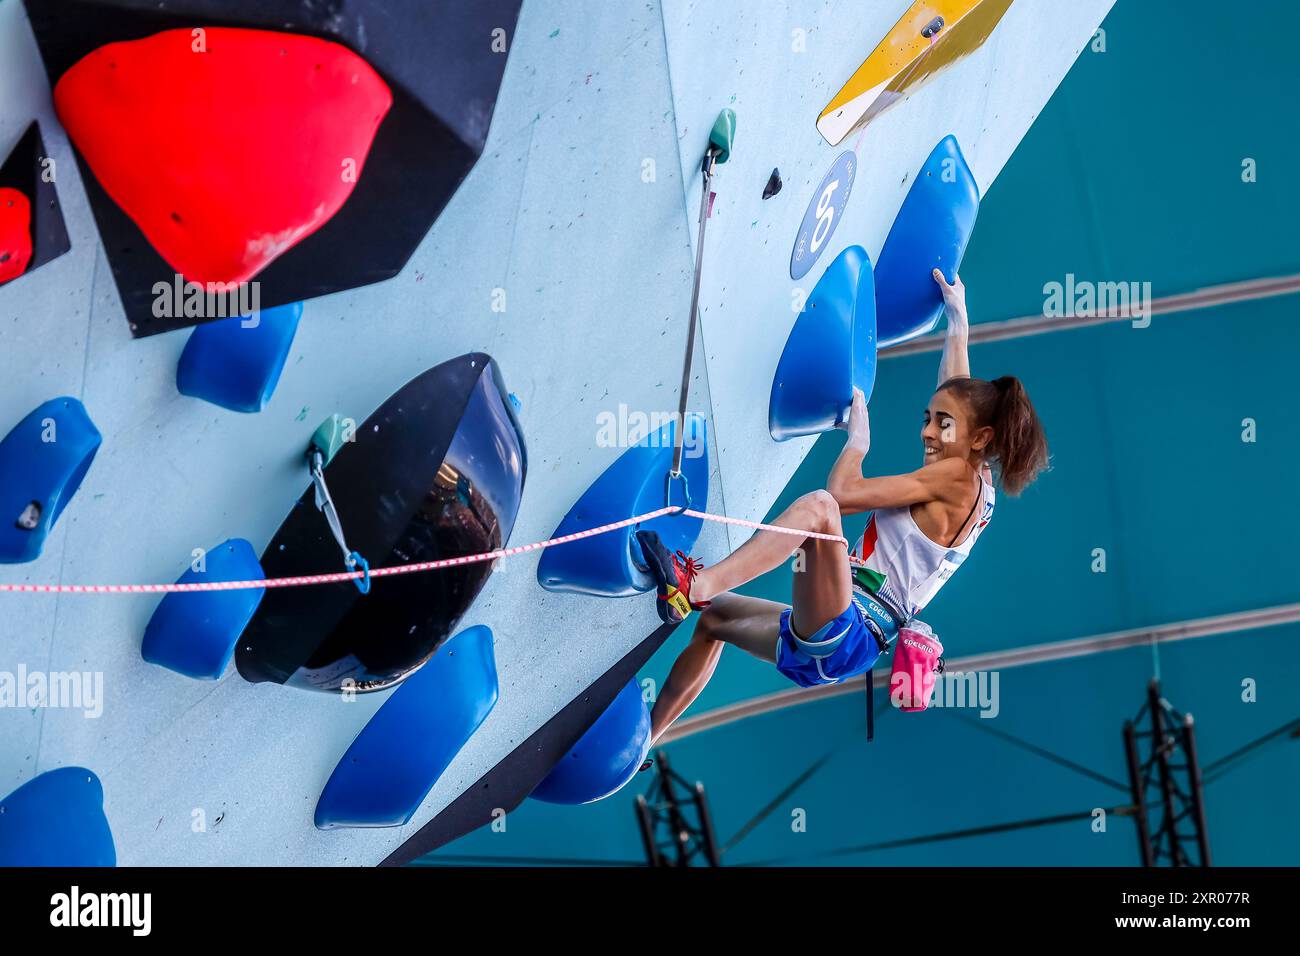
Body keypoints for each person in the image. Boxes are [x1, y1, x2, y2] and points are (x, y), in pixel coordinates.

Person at [637, 271, 1049, 743]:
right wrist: (958, 319)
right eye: (927, 419)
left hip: (847, 627)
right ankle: (648, 740)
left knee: (819, 508)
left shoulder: (954, 476)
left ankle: (695, 584)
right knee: (714, 621)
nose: (927, 432)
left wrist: (858, 441)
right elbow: (957, 388)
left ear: (980, 438)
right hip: (839, 645)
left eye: (943, 424)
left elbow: (844, 493)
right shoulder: (978, 484)